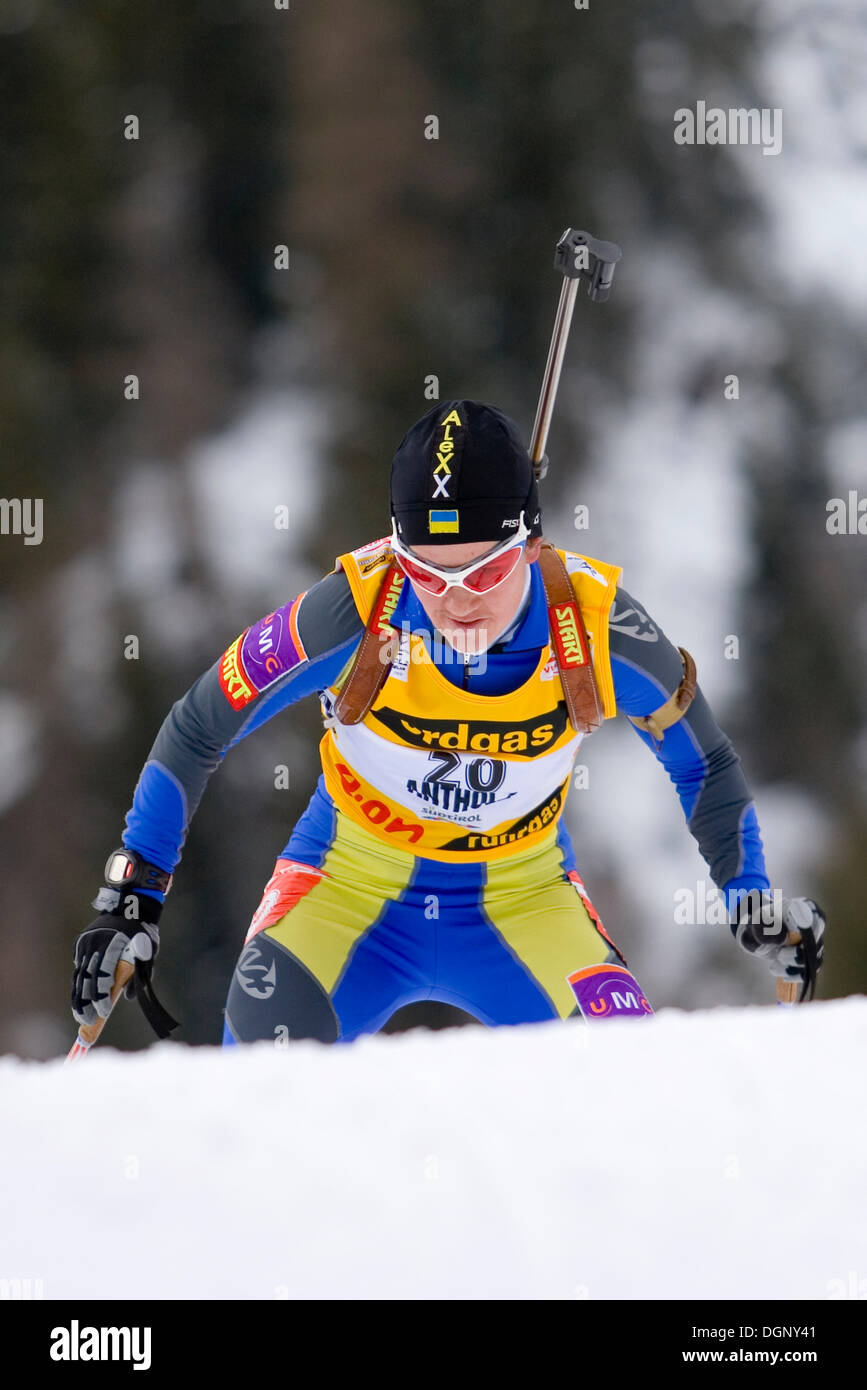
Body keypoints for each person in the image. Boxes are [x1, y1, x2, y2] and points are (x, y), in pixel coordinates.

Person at [70, 401, 825, 1045]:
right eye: (427, 574)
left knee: (625, 1087)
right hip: (343, 890)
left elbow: (705, 763)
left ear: (531, 545)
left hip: (522, 898)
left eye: (486, 572)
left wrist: (748, 896)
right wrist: (132, 896)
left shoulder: (597, 630)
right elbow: (200, 724)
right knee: (262, 1097)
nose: (456, 600)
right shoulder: (356, 608)